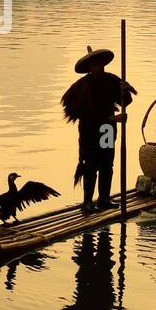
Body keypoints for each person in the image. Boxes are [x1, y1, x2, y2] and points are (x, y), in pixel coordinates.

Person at [61, 46, 136, 212]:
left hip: (107, 130)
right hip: (89, 131)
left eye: (101, 64)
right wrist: (111, 118)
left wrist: (125, 92)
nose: (99, 67)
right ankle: (87, 202)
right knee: (90, 165)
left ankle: (104, 199)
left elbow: (125, 102)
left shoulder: (111, 80)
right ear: (89, 68)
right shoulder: (82, 86)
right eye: (95, 65)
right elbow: (83, 113)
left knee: (107, 163)